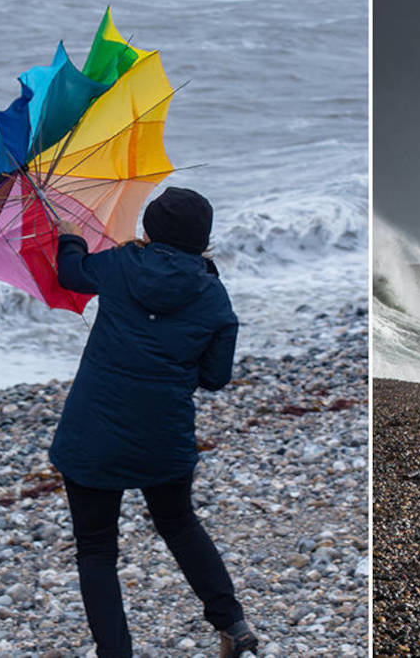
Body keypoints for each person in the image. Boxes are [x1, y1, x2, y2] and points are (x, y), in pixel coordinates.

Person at [49, 187, 258, 657]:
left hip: (92, 437)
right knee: (180, 525)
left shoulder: (120, 264)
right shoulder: (214, 298)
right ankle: (233, 624)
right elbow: (215, 378)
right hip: (163, 437)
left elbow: (71, 273)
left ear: (147, 230)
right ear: (202, 239)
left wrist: (70, 237)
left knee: (97, 550)